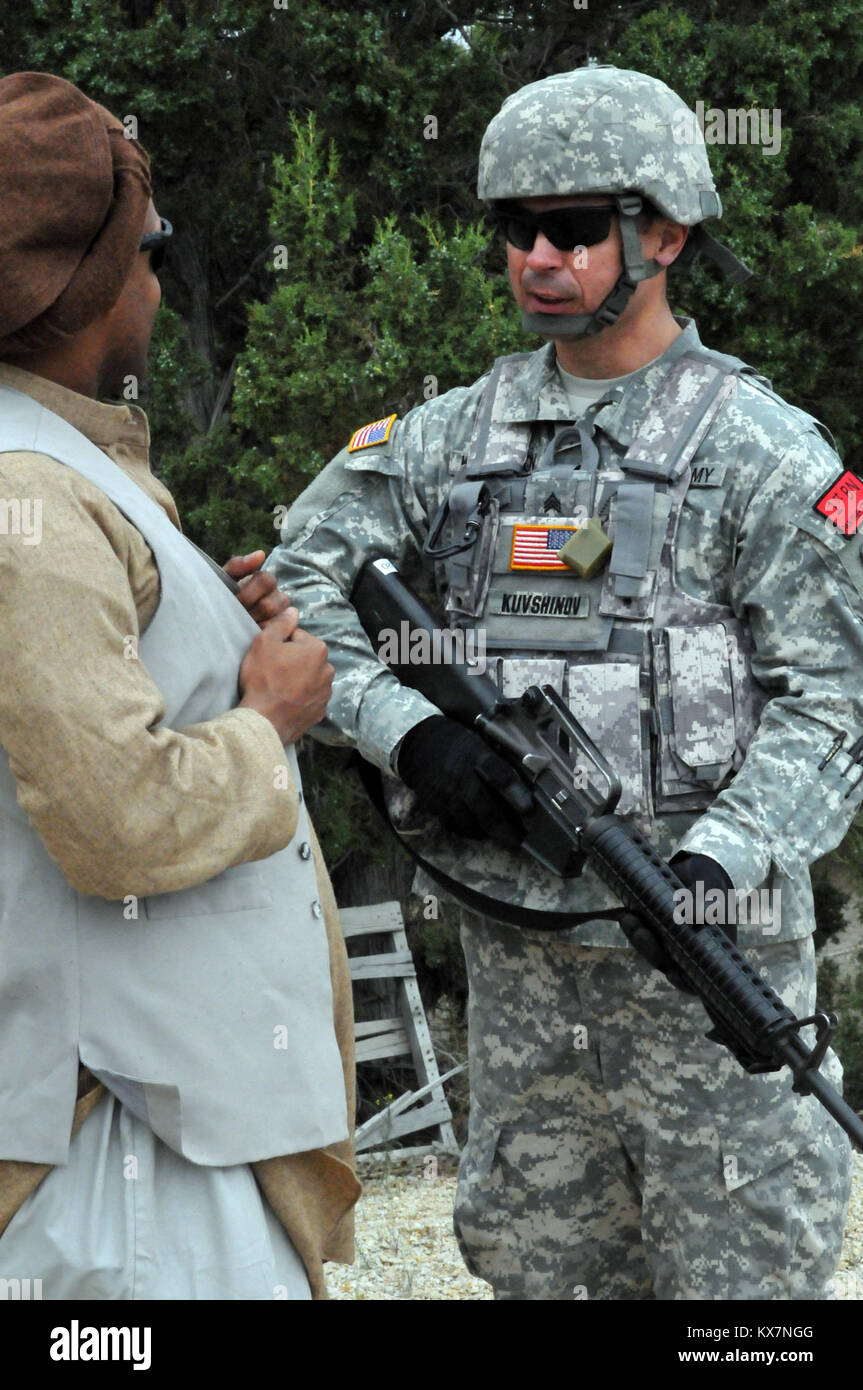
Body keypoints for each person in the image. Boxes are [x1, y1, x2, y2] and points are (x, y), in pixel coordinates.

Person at [267, 65, 863, 1300]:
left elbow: (833, 696)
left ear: (665, 234)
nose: (538, 257)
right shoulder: (447, 439)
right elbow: (296, 586)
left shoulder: (759, 452)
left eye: (575, 229)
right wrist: (409, 736)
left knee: (742, 1311)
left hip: (709, 985)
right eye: (515, 229)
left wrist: (719, 856)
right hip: (529, 1000)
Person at [0, 71, 359, 1301]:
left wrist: (218, 645)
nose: (158, 277)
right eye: (151, 247)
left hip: (143, 1134)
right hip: (126, 1161)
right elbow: (114, 812)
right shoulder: (30, 499)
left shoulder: (51, 474)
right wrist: (270, 720)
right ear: (99, 280)